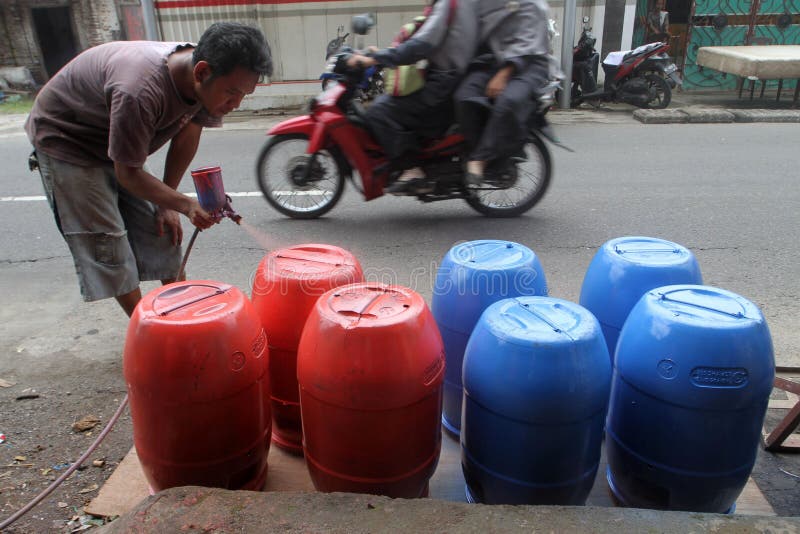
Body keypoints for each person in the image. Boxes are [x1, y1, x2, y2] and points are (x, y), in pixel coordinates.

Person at [25, 22, 272, 316]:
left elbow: (187, 135)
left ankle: (183, 314)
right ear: (202, 72)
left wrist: (168, 204)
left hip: (116, 140)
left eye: (245, 94)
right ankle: (150, 331)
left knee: (163, 230)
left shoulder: (207, 78)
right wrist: (186, 204)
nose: (236, 104)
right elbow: (128, 173)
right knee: (110, 247)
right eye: (232, 93)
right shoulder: (139, 91)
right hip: (69, 142)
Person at [346, 0, 479, 194]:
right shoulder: (458, 5)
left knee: (378, 111)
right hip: (448, 79)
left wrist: (375, 58)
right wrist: (382, 54)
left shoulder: (447, 6)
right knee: (384, 103)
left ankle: (411, 169)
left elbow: (419, 46)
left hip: (442, 86)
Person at [454, 0, 552, 188]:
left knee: (507, 101)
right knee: (463, 97)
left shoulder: (532, 4)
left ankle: (481, 160)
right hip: (495, 63)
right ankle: (477, 151)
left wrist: (505, 73)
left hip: (529, 65)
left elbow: (529, 42)